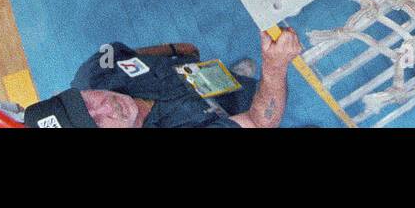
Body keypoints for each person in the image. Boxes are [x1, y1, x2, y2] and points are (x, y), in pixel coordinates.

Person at [23, 34, 302, 128]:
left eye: (85, 103)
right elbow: (257, 121)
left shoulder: (93, 72)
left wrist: (175, 50)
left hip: (204, 79)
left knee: (232, 78)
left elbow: (129, 54)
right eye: (97, 122)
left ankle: (235, 76)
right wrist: (275, 67)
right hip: (238, 112)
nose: (106, 105)